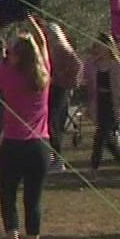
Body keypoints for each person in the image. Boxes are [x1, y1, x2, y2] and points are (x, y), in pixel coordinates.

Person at [0, 9, 53, 239]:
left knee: (8, 195)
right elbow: (42, 42)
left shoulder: (8, 75)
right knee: (34, 198)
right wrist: (29, 18)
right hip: (40, 146)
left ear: (15, 56)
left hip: (13, 145)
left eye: (10, 51)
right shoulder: (44, 74)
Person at [83, 33, 120, 179]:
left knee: (100, 136)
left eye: (100, 46)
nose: (97, 49)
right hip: (99, 103)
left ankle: (94, 168)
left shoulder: (117, 64)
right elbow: (84, 78)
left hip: (112, 103)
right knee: (106, 137)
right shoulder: (93, 64)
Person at [44, 21, 82, 170]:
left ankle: (58, 158)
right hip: (53, 88)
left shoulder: (61, 49)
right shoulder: (51, 49)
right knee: (52, 123)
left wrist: (67, 79)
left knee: (54, 123)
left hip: (59, 89)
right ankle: (53, 157)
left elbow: (77, 65)